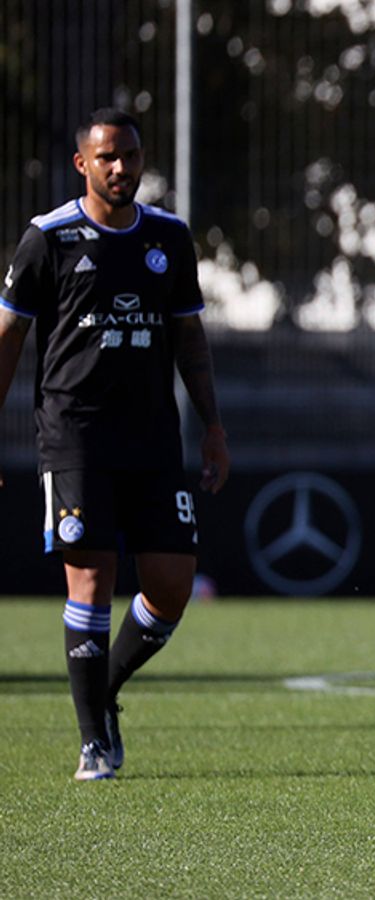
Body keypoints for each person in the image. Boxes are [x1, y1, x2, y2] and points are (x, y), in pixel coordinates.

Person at [0, 108, 229, 781]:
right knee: (92, 578)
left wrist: (212, 428)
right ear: (83, 164)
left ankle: (103, 692)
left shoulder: (168, 237)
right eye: (107, 158)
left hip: (154, 439)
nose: (121, 168)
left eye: (129, 156)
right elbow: (9, 338)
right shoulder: (49, 239)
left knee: (171, 586)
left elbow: (191, 339)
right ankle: (94, 739)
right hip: (75, 435)